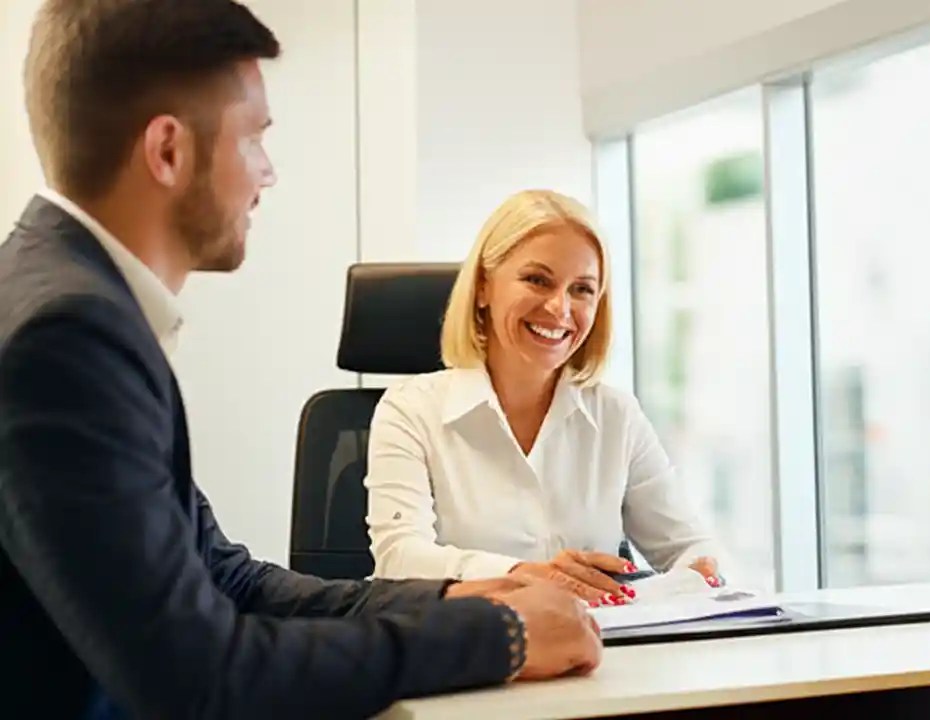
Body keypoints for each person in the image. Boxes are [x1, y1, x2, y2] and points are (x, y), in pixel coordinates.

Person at [0, 2, 600, 718]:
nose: (268, 172)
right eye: (254, 138)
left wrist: (451, 598)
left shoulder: (65, 301)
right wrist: (499, 636)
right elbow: (196, 675)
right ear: (168, 151)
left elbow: (227, 579)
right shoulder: (67, 338)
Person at [364, 189, 729, 606]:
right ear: (484, 288)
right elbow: (399, 558)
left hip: (597, 654)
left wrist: (698, 573)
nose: (559, 308)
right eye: (537, 280)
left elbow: (689, 547)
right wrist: (522, 576)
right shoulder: (410, 410)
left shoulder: (616, 415)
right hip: (465, 654)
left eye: (582, 289)